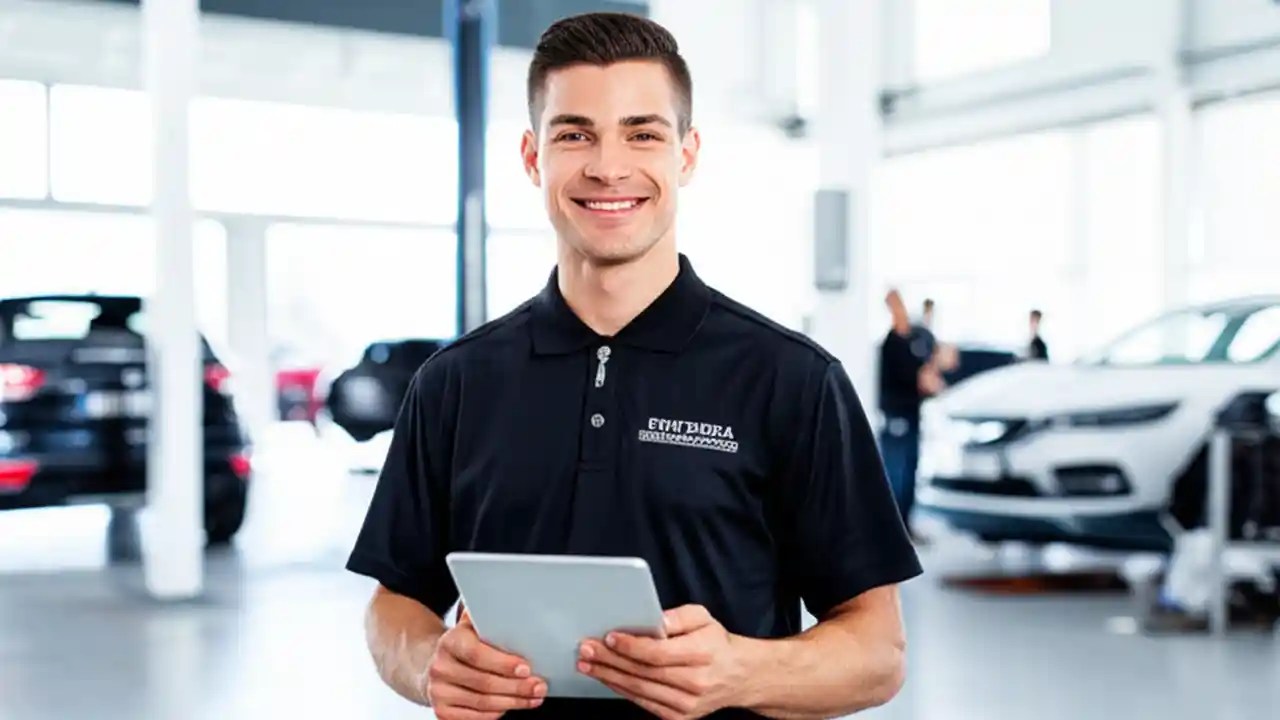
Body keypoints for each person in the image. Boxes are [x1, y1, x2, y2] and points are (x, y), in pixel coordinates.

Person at [345, 12, 922, 720]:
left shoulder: (791, 379)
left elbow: (878, 651)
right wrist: (428, 662)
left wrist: (744, 670)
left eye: (642, 133)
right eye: (574, 134)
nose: (607, 166)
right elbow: (392, 605)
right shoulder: (455, 382)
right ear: (533, 157)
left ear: (686, 154)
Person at [879, 290, 944, 533]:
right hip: (896, 419)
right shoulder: (892, 343)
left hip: (912, 416)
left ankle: (904, 528)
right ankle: (893, 531)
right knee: (896, 474)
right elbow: (917, 379)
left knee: (910, 473)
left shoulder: (912, 341)